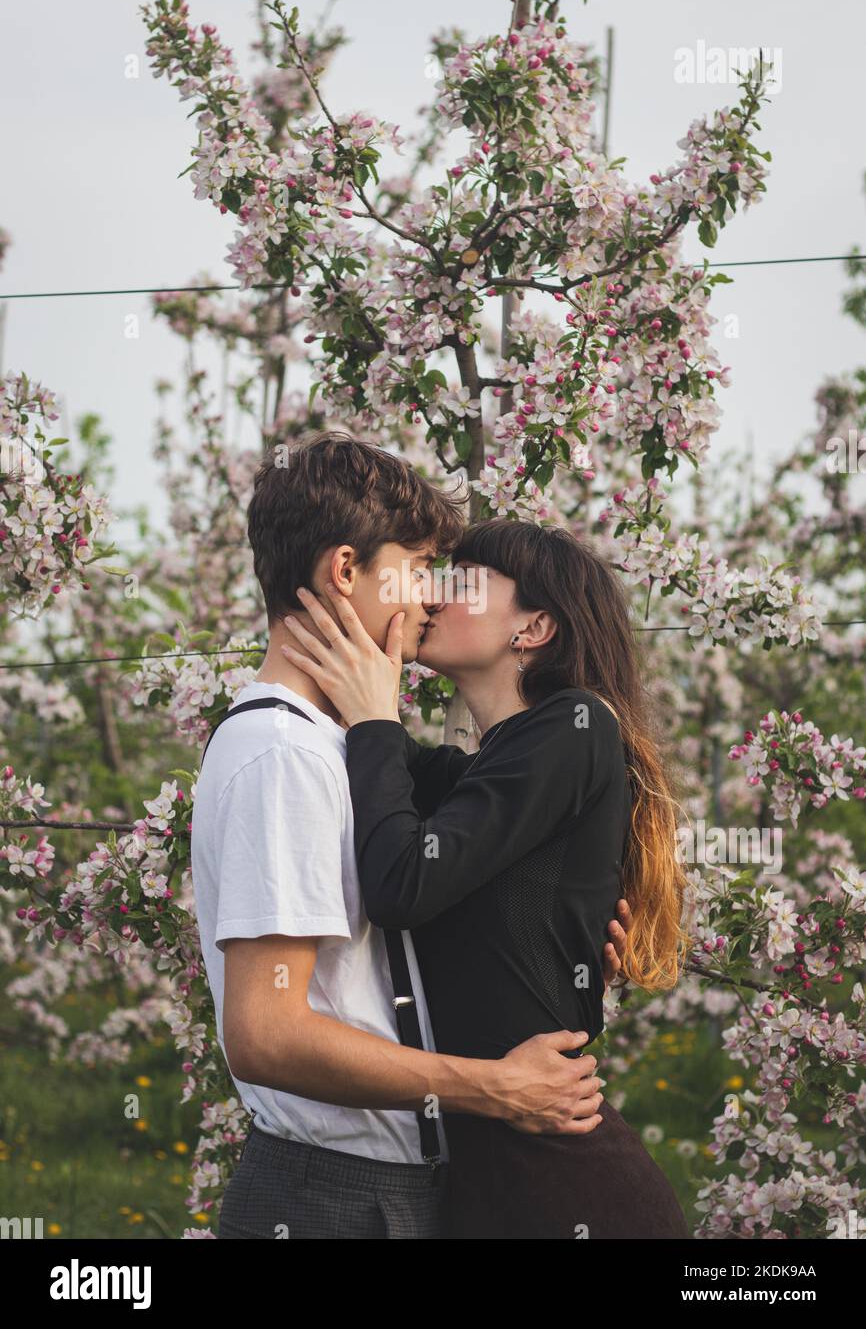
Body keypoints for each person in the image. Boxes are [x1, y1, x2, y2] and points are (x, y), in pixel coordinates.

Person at [192, 434, 634, 1241]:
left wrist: (554, 924)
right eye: (421, 566)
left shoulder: (343, 750)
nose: (433, 595)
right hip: (332, 1196)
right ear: (346, 572)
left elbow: (452, 866)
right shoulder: (286, 756)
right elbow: (267, 1033)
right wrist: (491, 1087)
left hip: (410, 1184)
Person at [279, 515, 692, 1239]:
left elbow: (401, 886)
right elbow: (396, 786)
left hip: (565, 1187)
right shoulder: (475, 775)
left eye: (464, 581)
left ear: (532, 628)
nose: (433, 593)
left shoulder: (577, 725)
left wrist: (375, 717)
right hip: (484, 1182)